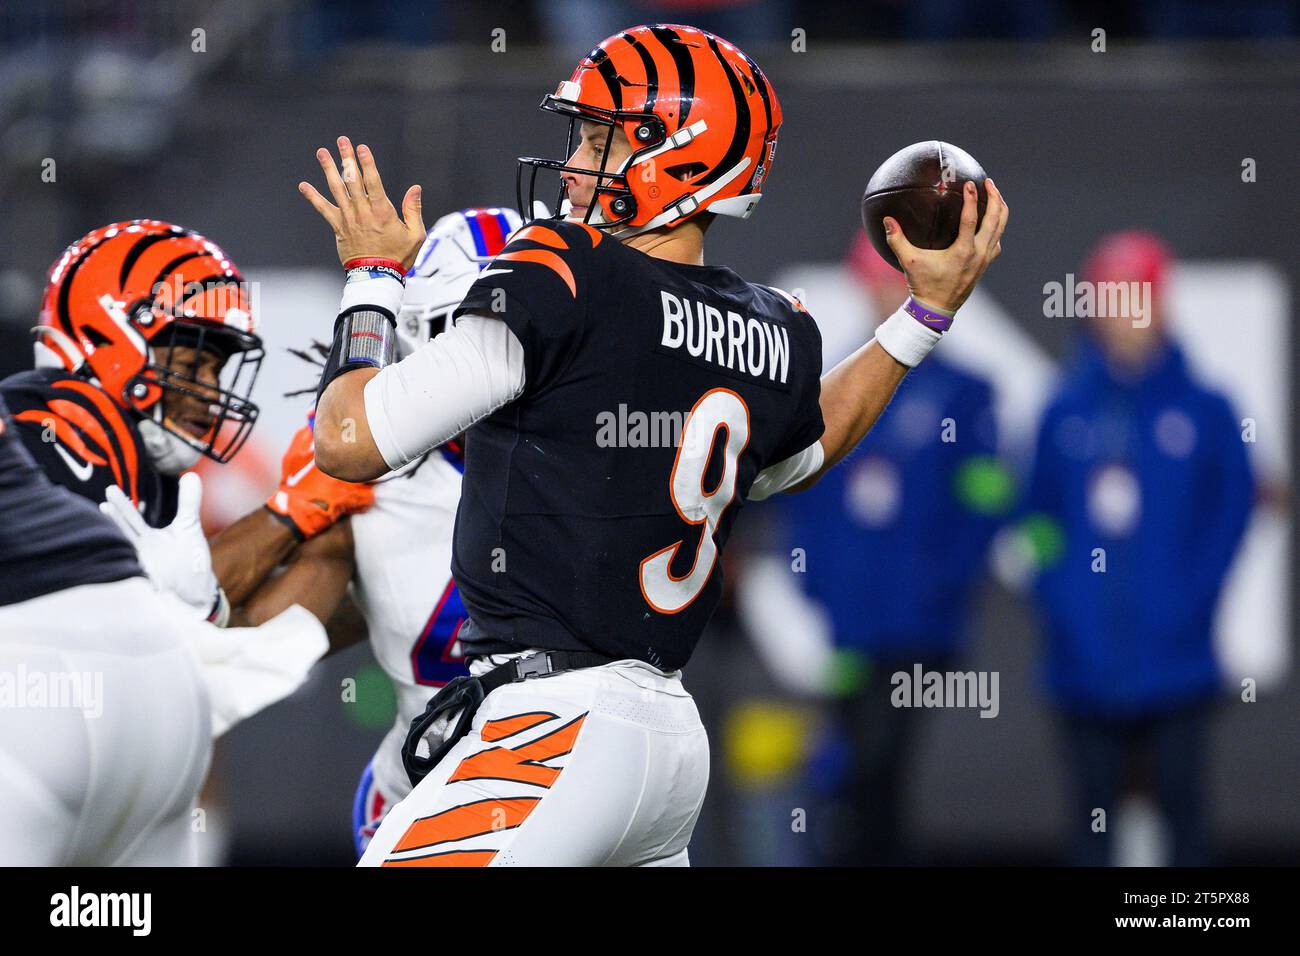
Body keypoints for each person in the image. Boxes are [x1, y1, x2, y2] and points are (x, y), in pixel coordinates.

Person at [299, 23, 1008, 866]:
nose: (571, 164)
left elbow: (345, 441)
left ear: (680, 155)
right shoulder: (772, 323)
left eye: (599, 138)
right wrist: (921, 319)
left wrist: (371, 278)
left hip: (554, 726)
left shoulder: (567, 265)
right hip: (667, 743)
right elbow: (809, 450)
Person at [235, 207, 522, 855]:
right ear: (426, 336)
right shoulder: (371, 469)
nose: (506, 358)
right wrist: (290, 515)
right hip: (427, 787)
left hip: (580, 773)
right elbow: (261, 648)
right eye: (479, 334)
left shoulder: (604, 446)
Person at [765, 235, 1011, 864]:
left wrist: (943, 586)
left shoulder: (964, 394)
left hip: (919, 627)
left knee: (879, 770)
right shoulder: (835, 385)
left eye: (895, 279)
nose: (884, 291)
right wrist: (815, 587)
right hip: (846, 624)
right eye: (874, 278)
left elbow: (984, 506)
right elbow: (801, 499)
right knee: (853, 772)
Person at [0, 392, 326, 865]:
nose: (207, 388)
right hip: (153, 671)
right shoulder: (63, 425)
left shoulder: (213, 455)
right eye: (195, 363)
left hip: (60, 665)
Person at [0, 220, 367, 625]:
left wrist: (338, 543)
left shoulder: (143, 471)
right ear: (110, 343)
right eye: (192, 366)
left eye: (217, 371)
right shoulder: (38, 433)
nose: (211, 395)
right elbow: (128, 622)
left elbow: (223, 649)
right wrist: (292, 507)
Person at [1022, 230, 1254, 866]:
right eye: (1110, 298)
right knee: (1090, 813)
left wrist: (1192, 594)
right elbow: (1035, 517)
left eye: (1137, 297)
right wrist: (1058, 592)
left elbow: (1231, 514)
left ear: (1161, 303)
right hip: (1082, 659)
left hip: (1177, 655)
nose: (1123, 314)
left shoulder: (1205, 411)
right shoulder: (1064, 411)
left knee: (1184, 808)